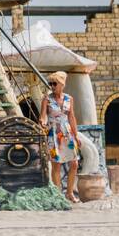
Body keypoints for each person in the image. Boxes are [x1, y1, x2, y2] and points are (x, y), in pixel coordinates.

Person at [41, 71, 80, 202]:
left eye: (54, 83)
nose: (51, 86)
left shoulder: (69, 98)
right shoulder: (46, 98)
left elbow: (72, 117)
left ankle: (69, 193)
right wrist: (42, 122)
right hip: (53, 132)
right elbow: (43, 116)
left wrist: (76, 135)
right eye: (50, 83)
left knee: (74, 163)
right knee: (56, 164)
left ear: (62, 84)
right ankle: (58, 196)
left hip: (67, 132)